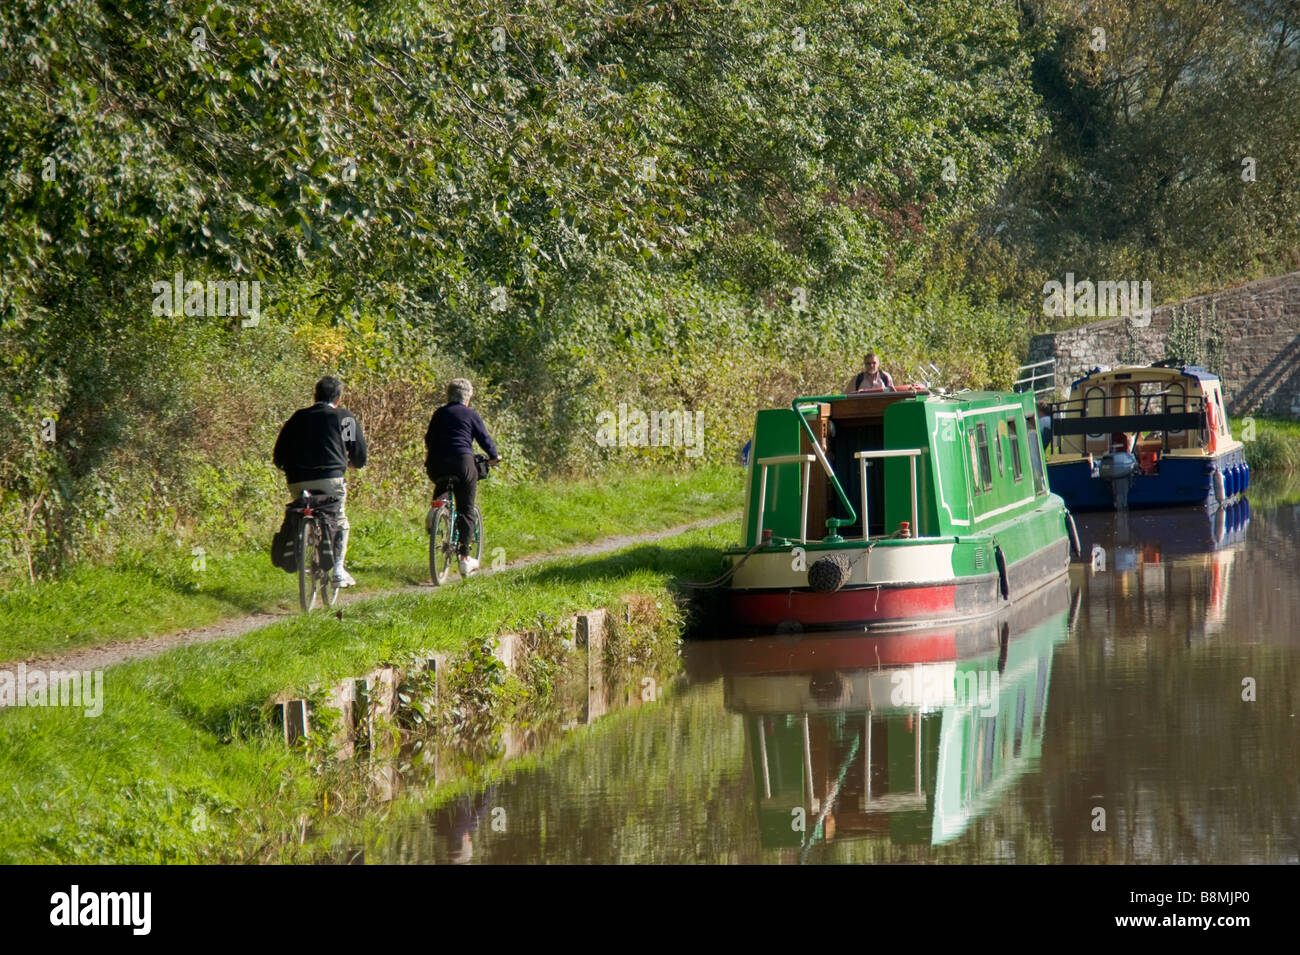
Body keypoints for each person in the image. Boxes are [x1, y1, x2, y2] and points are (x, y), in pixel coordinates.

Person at [273, 375, 368, 587]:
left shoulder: (297, 417)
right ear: (339, 397)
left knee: (303, 507)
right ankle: (337, 569)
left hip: (297, 480)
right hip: (330, 479)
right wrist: (353, 463)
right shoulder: (344, 417)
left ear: (314, 395)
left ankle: (305, 537)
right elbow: (358, 453)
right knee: (340, 519)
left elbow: (279, 456)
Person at [424, 378, 501, 576]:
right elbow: (484, 439)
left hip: (436, 463)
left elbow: (428, 440)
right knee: (466, 508)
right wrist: (494, 456)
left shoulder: (439, 413)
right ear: (468, 396)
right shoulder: (470, 414)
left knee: (442, 484)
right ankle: (465, 558)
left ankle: (436, 509)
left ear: (448, 396)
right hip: (462, 463)